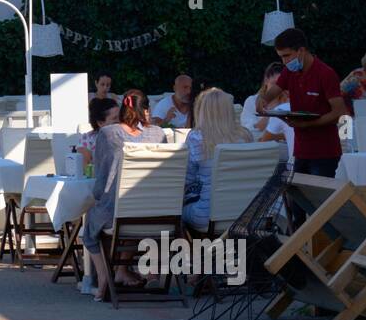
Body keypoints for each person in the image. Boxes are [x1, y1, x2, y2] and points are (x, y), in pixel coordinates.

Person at [82, 90, 167, 298]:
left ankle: (103, 277)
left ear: (122, 109)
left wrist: (99, 197)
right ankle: (137, 273)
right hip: (158, 216)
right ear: (146, 110)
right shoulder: (158, 134)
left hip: (119, 215)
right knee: (132, 213)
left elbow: (102, 182)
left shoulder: (109, 133)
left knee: (90, 225)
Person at [261, 27, 348, 178]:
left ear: (301, 50)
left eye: (287, 55)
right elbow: (275, 90)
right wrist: (261, 100)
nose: (284, 61)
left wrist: (308, 124)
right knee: (297, 198)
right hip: (301, 150)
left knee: (318, 200)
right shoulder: (290, 71)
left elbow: (339, 113)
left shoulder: (325, 74)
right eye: (281, 57)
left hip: (324, 151)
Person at [182, 88, 254, 233]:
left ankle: (186, 252)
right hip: (245, 216)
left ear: (202, 110)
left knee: (175, 211)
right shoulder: (246, 137)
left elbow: (187, 180)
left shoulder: (197, 138)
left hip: (206, 216)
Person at [241, 62, 284, 132]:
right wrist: (275, 111)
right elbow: (251, 130)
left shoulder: (289, 102)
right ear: (266, 81)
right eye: (275, 84)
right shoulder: (252, 101)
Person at [79, 97, 118, 170]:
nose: (120, 121)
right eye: (115, 118)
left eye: (120, 117)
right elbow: (83, 169)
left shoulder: (124, 136)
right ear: (100, 123)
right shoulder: (87, 139)